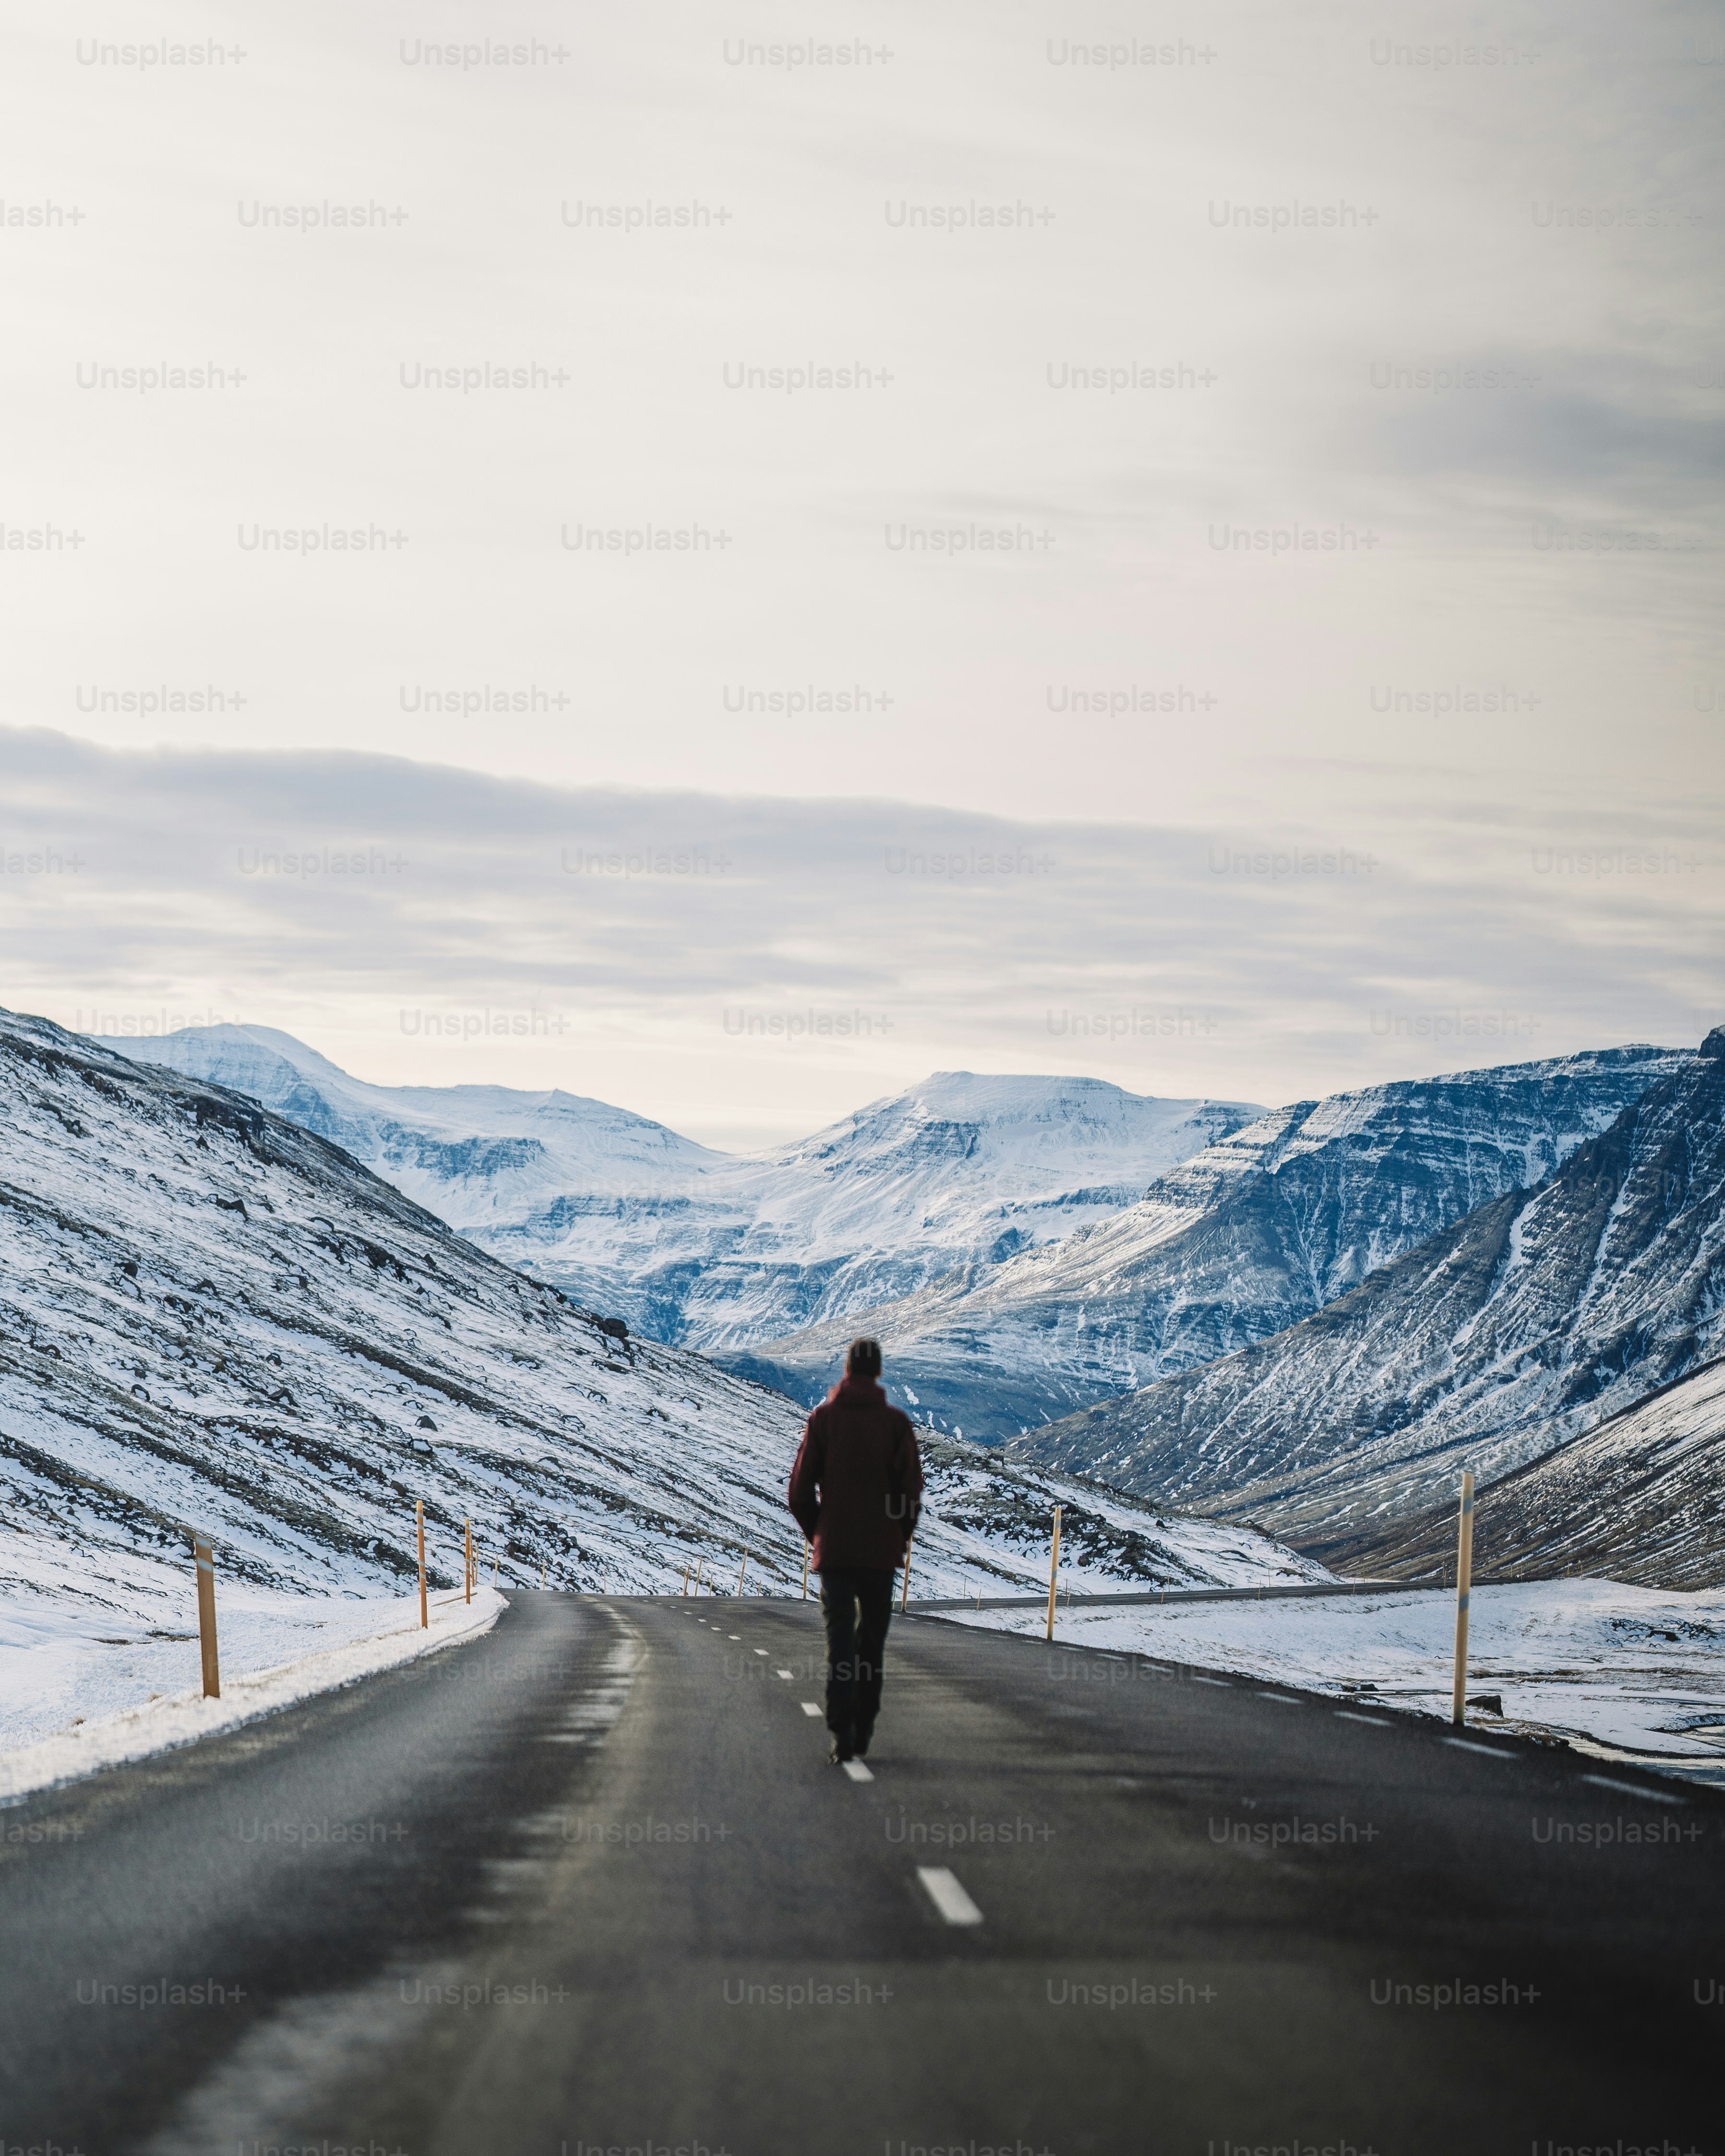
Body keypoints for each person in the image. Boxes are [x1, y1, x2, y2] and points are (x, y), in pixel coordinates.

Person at [787, 1336, 923, 1764]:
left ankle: (841, 1731)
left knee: (840, 1639)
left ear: (846, 1370)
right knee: (871, 1643)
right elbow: (910, 1492)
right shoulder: (896, 1423)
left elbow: (799, 1492)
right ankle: (864, 1727)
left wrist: (821, 1534)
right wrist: (899, 1533)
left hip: (838, 1554)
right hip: (881, 1554)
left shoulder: (823, 1420)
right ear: (878, 1371)